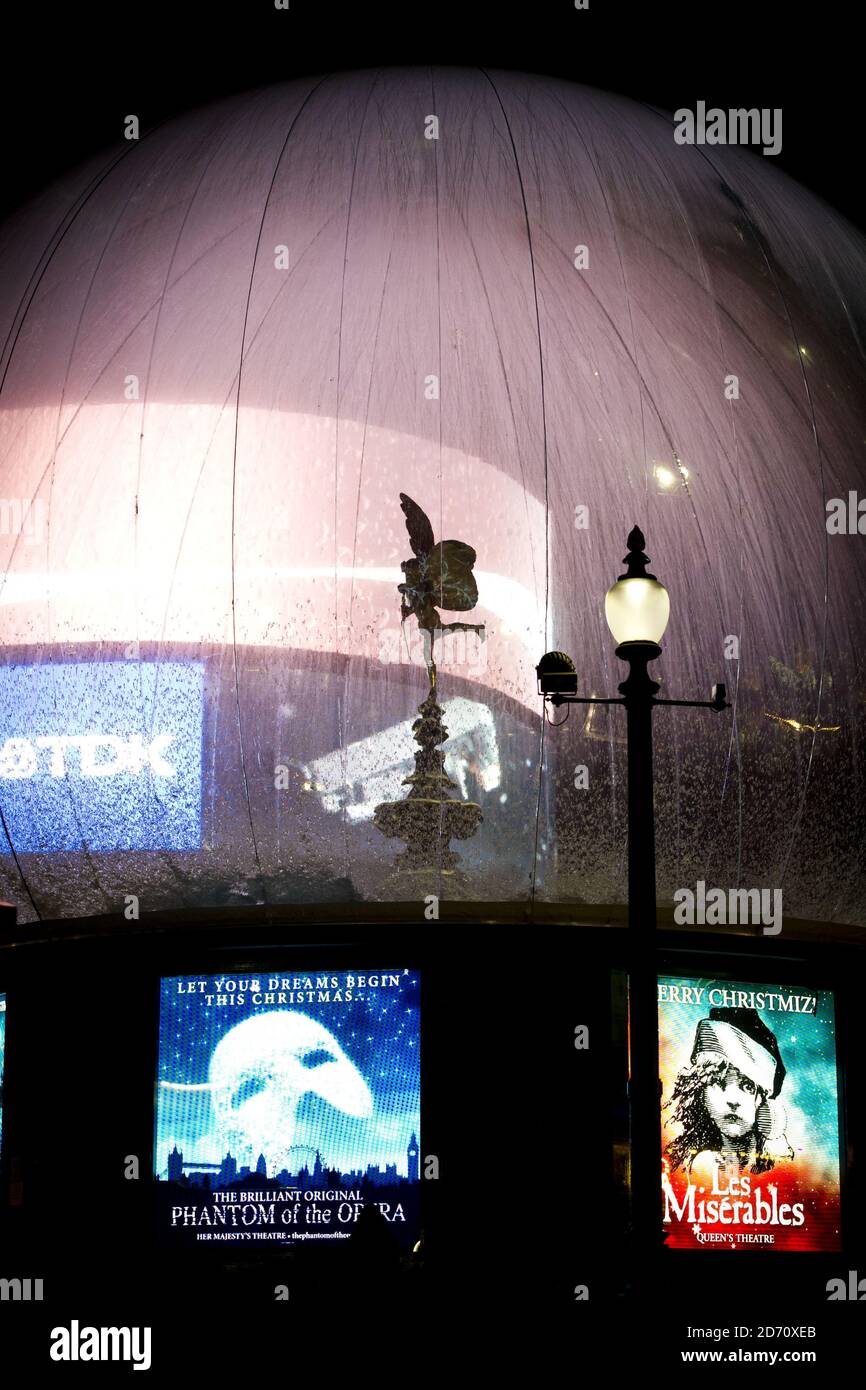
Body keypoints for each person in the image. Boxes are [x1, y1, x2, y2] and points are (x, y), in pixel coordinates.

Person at [664, 1006, 793, 1185]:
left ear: (762, 1101)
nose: (733, 1100)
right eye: (718, 1081)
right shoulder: (691, 1169)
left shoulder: (783, 1173)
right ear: (701, 1092)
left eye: (748, 1086)